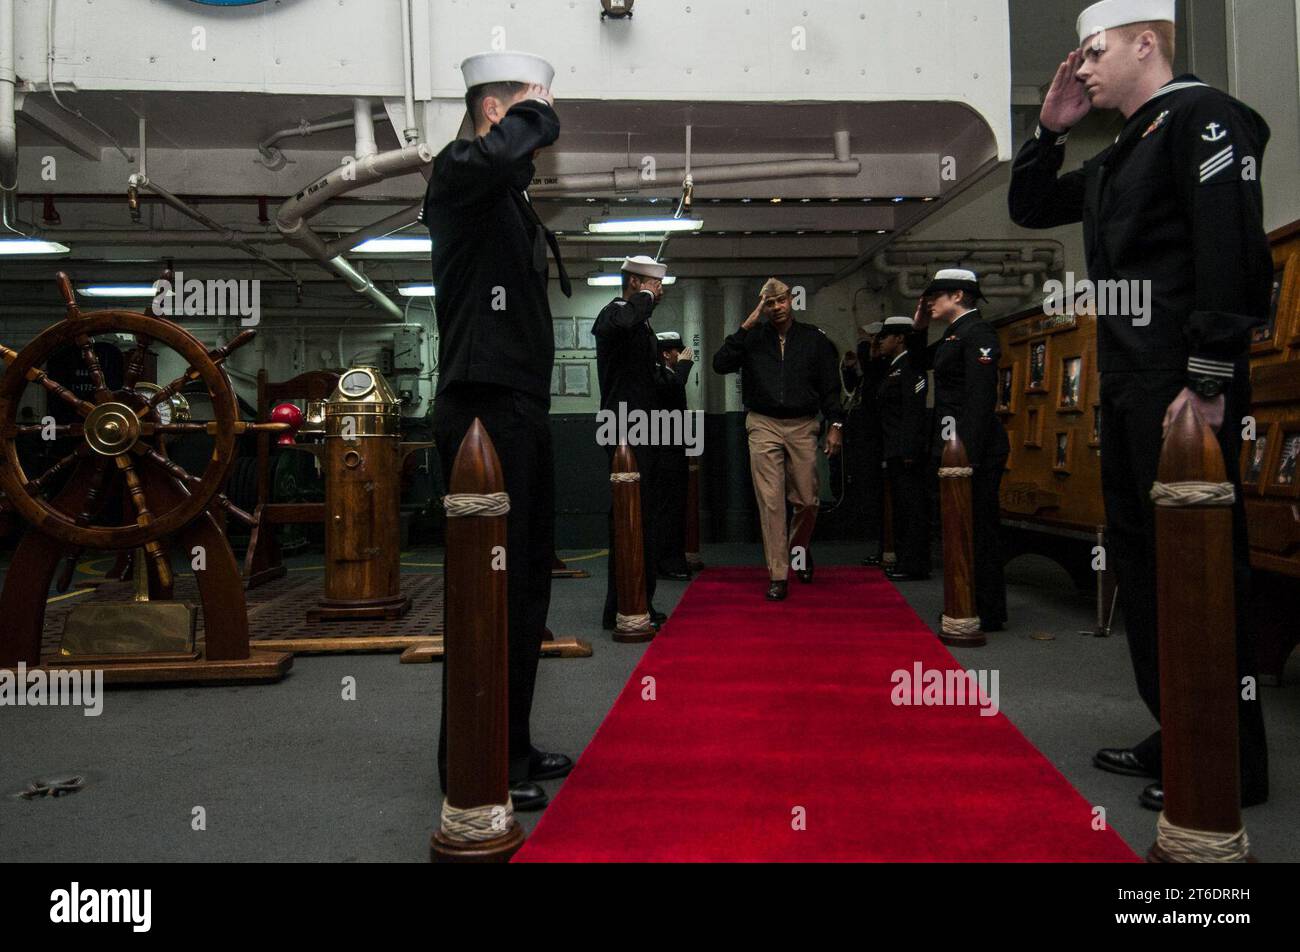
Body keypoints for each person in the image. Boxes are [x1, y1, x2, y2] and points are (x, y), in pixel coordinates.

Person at [1008, 0, 1271, 810]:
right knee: (1147, 566)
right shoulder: (1125, 149)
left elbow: (1229, 247)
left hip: (1178, 384)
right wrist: (1049, 131)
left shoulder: (1203, 116)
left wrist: (1207, 379)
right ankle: (1180, 726)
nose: (1080, 69)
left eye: (1092, 53)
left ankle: (1230, 757)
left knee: (1201, 570)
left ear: (1145, 43)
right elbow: (1030, 206)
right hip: (1128, 384)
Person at [424, 50, 573, 813]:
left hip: (519, 410)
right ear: (495, 112)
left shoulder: (506, 201)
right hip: (479, 411)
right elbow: (507, 148)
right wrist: (535, 108)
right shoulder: (458, 176)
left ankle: (509, 744)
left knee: (524, 592)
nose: (542, 126)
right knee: (484, 594)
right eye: (525, 109)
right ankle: (471, 762)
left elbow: (512, 160)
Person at [712, 277, 843, 600]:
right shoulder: (752, 339)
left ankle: (798, 549)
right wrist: (745, 327)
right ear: (763, 307)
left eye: (781, 301)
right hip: (763, 423)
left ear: (791, 301)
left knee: (808, 500)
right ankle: (778, 573)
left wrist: (836, 424)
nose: (777, 308)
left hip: (802, 423)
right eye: (769, 303)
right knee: (771, 502)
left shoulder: (814, 340)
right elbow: (720, 364)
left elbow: (829, 387)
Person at [909, 269, 1009, 630]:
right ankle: (968, 600)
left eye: (935, 295)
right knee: (960, 527)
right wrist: (919, 327)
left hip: (974, 448)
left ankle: (987, 609)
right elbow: (919, 362)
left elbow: (981, 399)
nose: (928, 302)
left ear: (957, 295)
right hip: (955, 448)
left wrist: (966, 454)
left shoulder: (977, 332)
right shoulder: (954, 334)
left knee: (978, 528)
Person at [594, 255, 668, 632]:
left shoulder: (640, 324)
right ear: (637, 283)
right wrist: (644, 297)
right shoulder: (615, 312)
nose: (660, 291)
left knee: (643, 518)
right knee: (628, 517)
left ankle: (636, 598)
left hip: (647, 427)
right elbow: (621, 320)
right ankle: (625, 601)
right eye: (655, 285)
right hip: (624, 428)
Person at [875, 317, 932, 581]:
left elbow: (913, 410)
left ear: (899, 338)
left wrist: (909, 450)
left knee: (912, 508)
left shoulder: (911, 366)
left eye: (885, 337)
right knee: (901, 507)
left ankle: (915, 563)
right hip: (894, 448)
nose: (880, 342)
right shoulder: (892, 368)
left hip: (906, 450)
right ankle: (904, 558)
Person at [653, 331, 695, 580]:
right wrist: (684, 367)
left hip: (672, 449)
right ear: (667, 354)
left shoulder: (667, 375)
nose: (682, 355)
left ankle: (672, 560)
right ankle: (666, 563)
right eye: (678, 352)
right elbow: (672, 389)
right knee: (667, 509)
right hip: (664, 452)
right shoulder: (660, 376)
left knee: (675, 507)